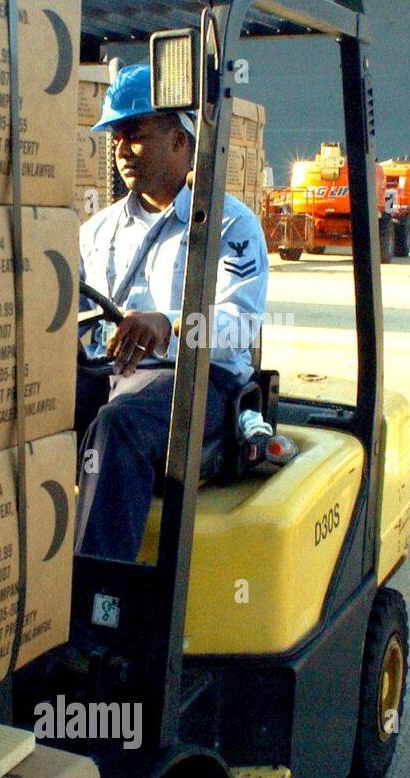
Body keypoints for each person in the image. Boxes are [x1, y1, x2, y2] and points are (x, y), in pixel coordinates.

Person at [76, 63, 269, 561]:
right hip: (113, 371)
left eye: (135, 136)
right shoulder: (98, 231)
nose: (121, 151)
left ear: (182, 141)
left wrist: (169, 325)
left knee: (118, 425)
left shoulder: (229, 225)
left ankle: (97, 603)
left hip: (197, 379)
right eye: (116, 138)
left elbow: (240, 324)